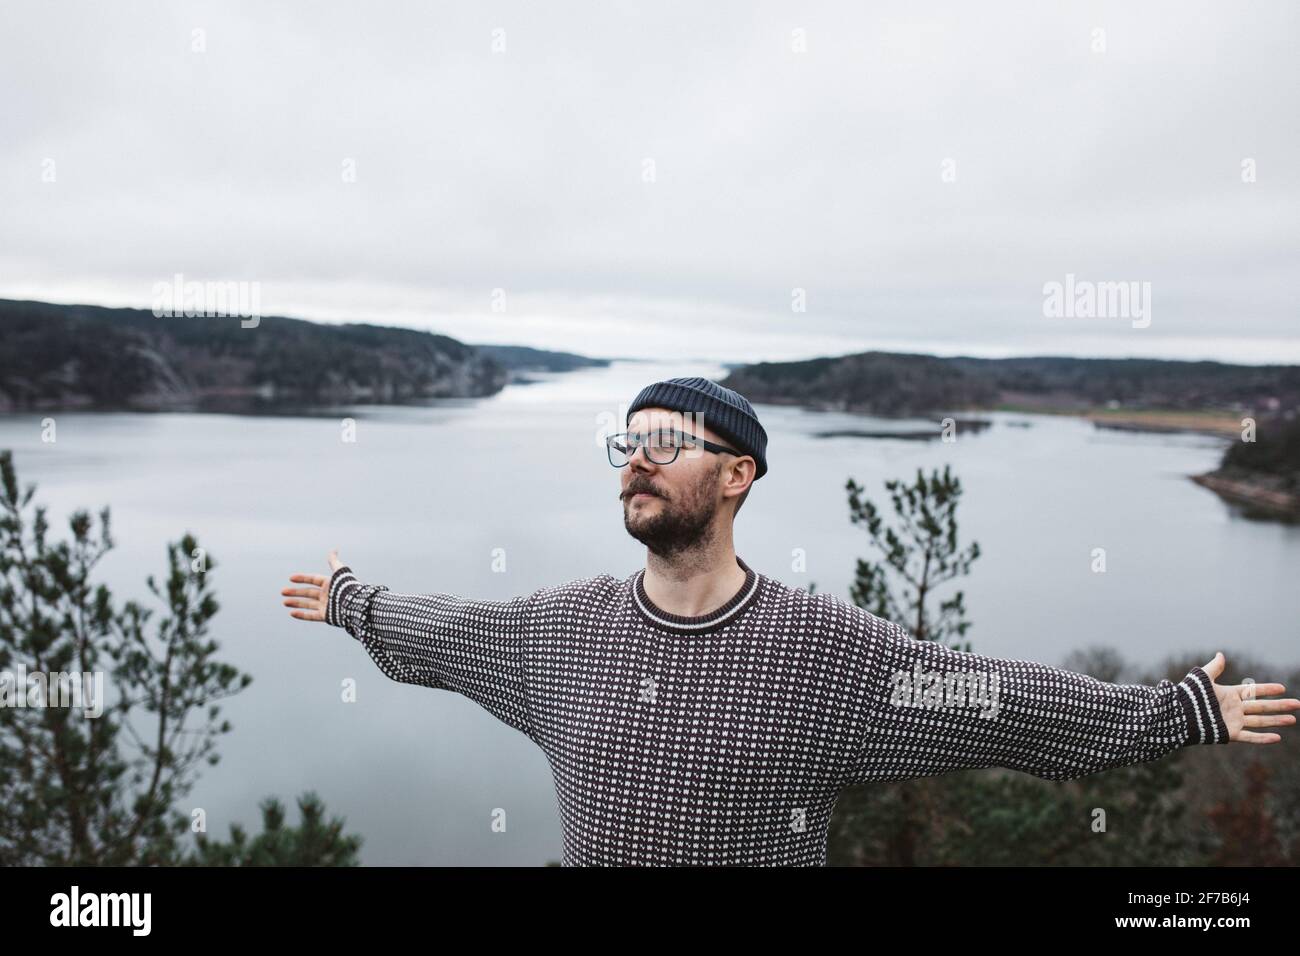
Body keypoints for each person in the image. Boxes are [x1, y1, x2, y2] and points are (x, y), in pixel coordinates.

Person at [281, 375, 1297, 866]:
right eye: (625, 443)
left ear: (736, 475)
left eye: (665, 441)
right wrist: (349, 601)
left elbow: (1002, 705)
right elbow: (445, 630)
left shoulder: (824, 653)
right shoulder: (561, 630)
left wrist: (1177, 711)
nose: (636, 458)